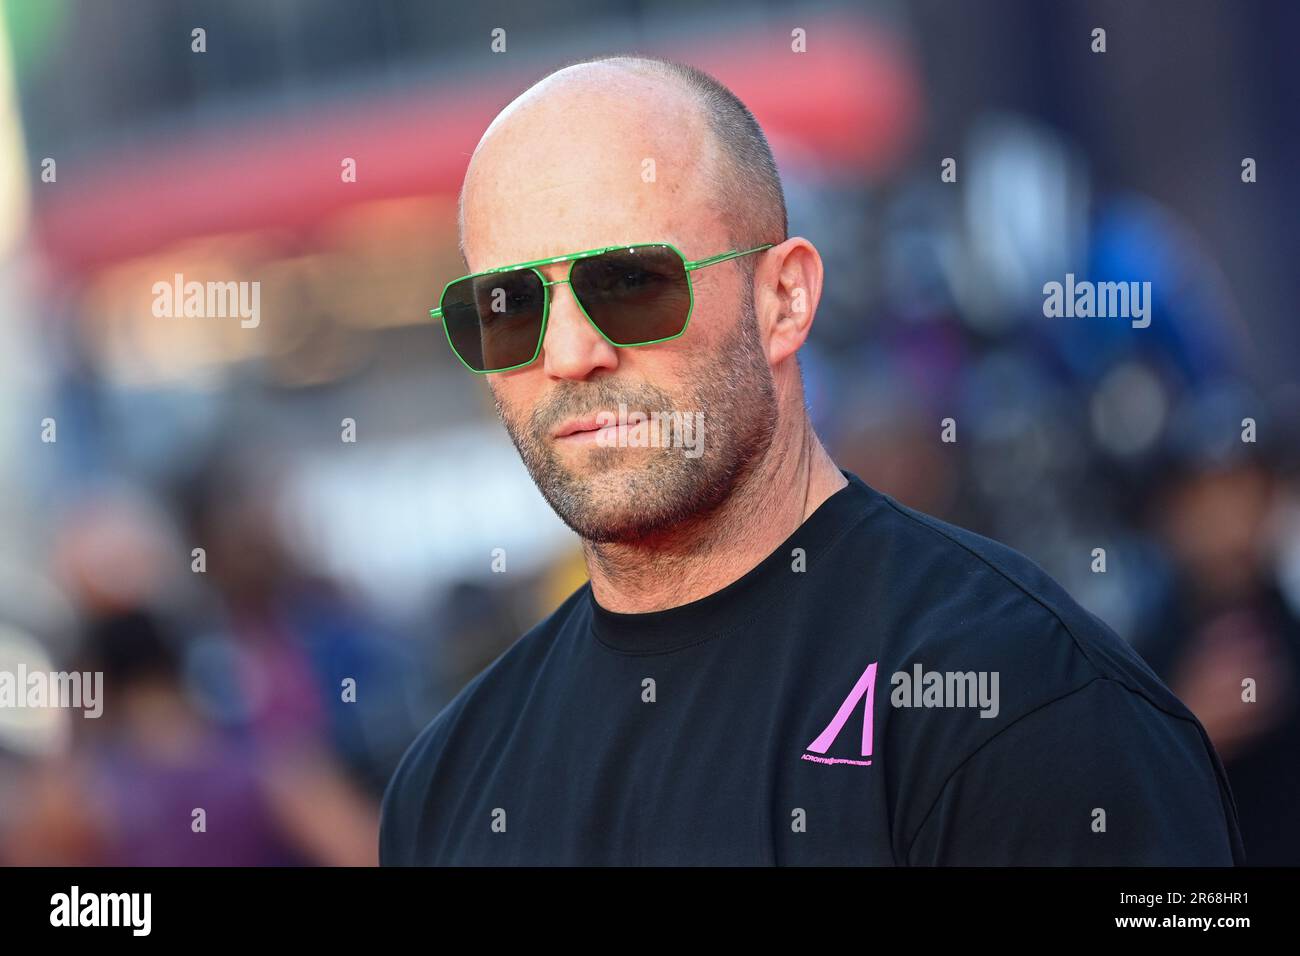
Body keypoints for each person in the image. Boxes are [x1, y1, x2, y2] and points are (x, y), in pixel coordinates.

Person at [380, 53, 1244, 865]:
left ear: (784, 301)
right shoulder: (447, 785)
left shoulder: (1023, 700)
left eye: (630, 284)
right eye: (505, 305)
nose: (568, 352)